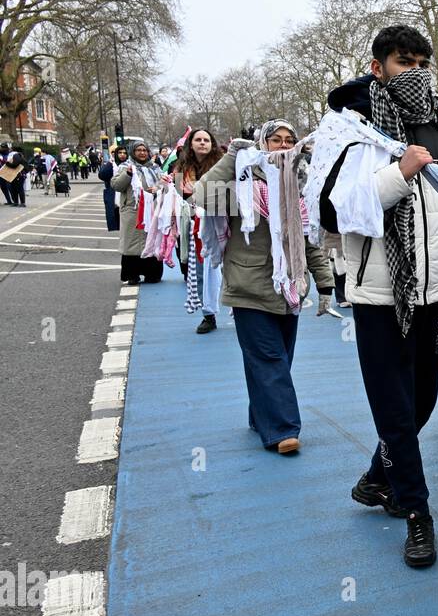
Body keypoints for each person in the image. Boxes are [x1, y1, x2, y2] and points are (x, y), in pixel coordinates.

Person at [317, 24, 438, 568]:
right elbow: (332, 212)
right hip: (381, 295)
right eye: (405, 61)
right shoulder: (350, 130)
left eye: (423, 61)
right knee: (396, 413)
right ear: (378, 65)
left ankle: (376, 479)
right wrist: (398, 174)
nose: (416, 71)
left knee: (423, 400)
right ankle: (417, 514)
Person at [194, 119, 334, 457]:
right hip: (249, 288)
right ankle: (283, 430)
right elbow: (201, 195)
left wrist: (325, 283)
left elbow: (310, 240)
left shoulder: (300, 185)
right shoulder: (241, 183)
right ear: (262, 144)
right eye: (275, 140)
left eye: (290, 140)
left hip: (291, 290)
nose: (284, 146)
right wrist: (233, 156)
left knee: (277, 360)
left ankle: (261, 416)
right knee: (269, 358)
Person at [170, 128, 224, 334]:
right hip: (196, 226)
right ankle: (208, 315)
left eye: (206, 140)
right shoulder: (179, 169)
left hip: (224, 223)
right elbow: (179, 196)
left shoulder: (223, 164)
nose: (202, 143)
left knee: (232, 270)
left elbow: (227, 191)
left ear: (212, 143)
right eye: (198, 139)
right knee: (201, 272)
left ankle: (241, 311)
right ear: (190, 144)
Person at [111, 140, 166, 284]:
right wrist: (128, 174)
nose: (142, 153)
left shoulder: (155, 168)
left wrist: (158, 188)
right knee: (132, 244)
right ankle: (132, 275)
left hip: (152, 210)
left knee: (151, 241)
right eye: (138, 150)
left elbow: (164, 184)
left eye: (144, 150)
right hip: (132, 211)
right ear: (133, 152)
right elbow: (116, 185)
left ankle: (152, 274)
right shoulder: (125, 167)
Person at [99, 146, 126, 230]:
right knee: (116, 222)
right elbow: (102, 175)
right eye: (119, 153)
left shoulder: (129, 165)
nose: (122, 155)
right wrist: (110, 164)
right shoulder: (110, 164)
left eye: (124, 153)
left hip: (125, 198)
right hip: (113, 197)